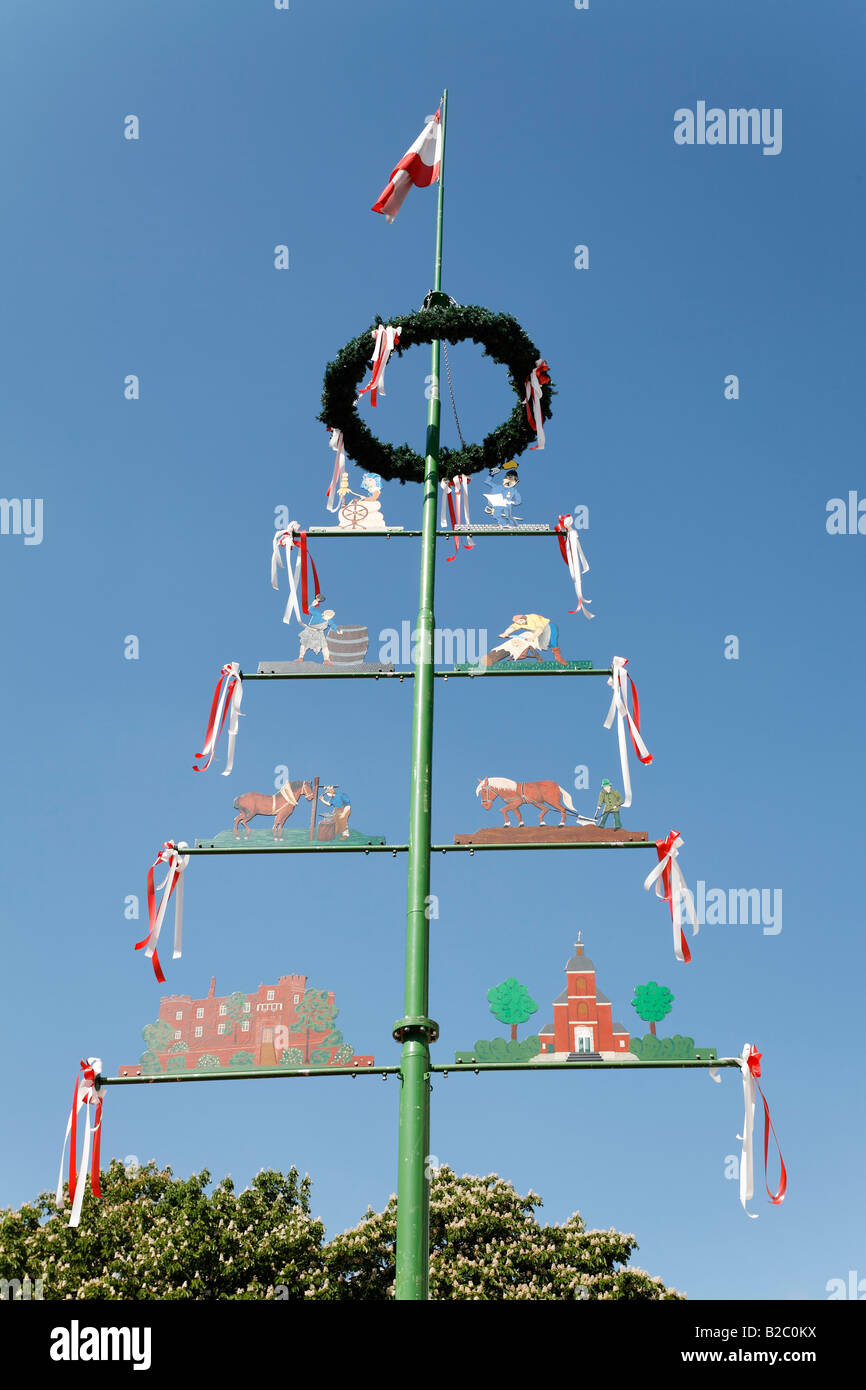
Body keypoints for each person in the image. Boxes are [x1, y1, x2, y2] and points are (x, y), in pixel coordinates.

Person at [484, 613, 568, 666]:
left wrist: (533, 637)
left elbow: (540, 629)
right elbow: (513, 627)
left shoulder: (533, 617)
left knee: (529, 635)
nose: (519, 624)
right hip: (536, 633)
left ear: (523, 619)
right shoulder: (521, 622)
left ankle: (558, 657)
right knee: (521, 637)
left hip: (547, 630)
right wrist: (506, 633)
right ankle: (493, 656)